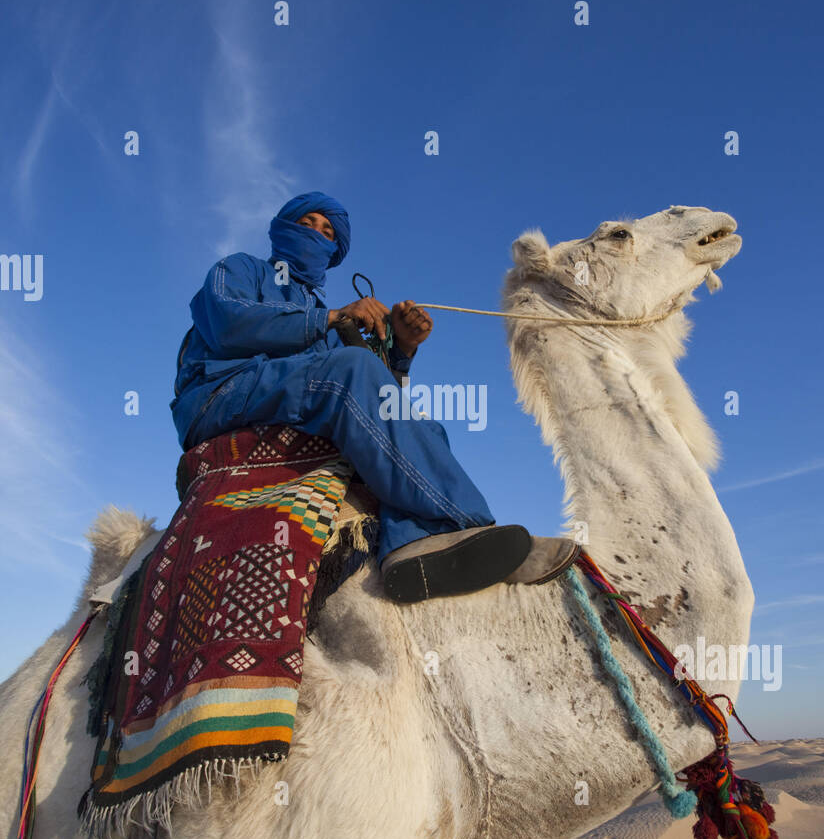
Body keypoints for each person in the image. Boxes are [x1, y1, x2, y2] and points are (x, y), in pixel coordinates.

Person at [170, 190, 575, 603]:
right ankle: (464, 527)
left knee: (421, 423)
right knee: (353, 370)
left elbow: (373, 401)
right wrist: (331, 318)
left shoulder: (328, 323)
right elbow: (226, 322)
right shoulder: (240, 269)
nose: (316, 234)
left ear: (334, 250)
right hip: (221, 391)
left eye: (327, 231)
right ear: (283, 228)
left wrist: (402, 349)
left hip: (284, 397)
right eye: (307, 223)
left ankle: (409, 544)